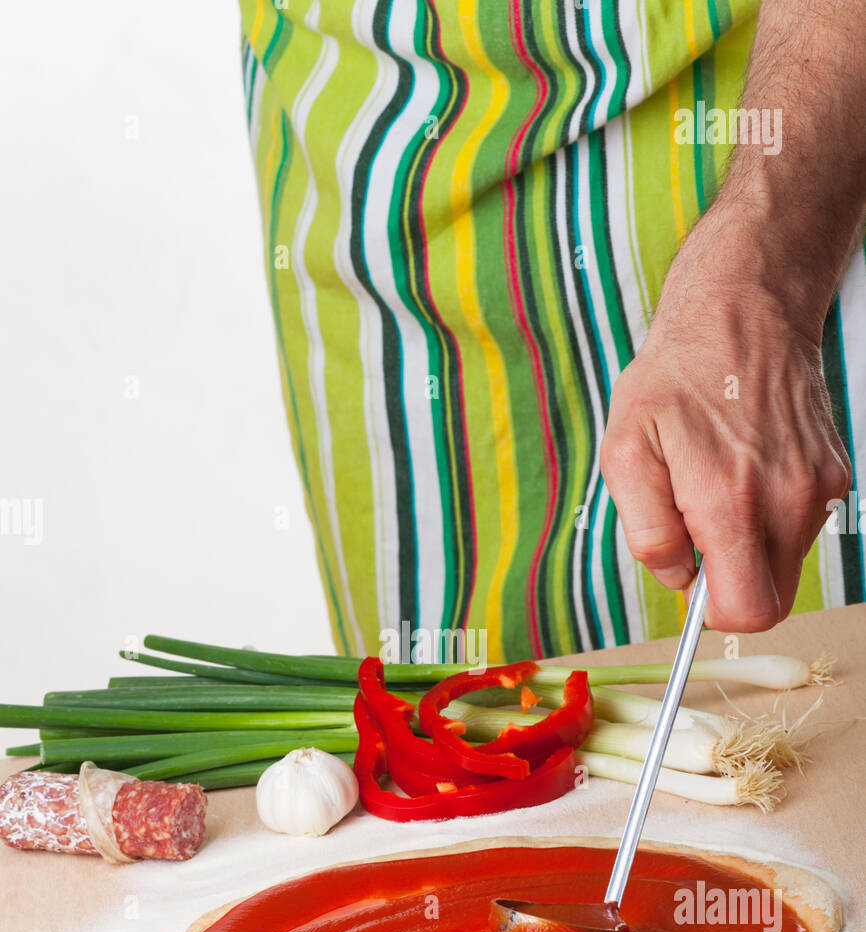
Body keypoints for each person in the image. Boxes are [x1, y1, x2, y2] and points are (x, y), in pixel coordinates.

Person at [238, 0, 865, 660]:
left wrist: (770, 263)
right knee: (449, 718)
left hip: (780, 104)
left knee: (816, 694)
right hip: (366, 137)